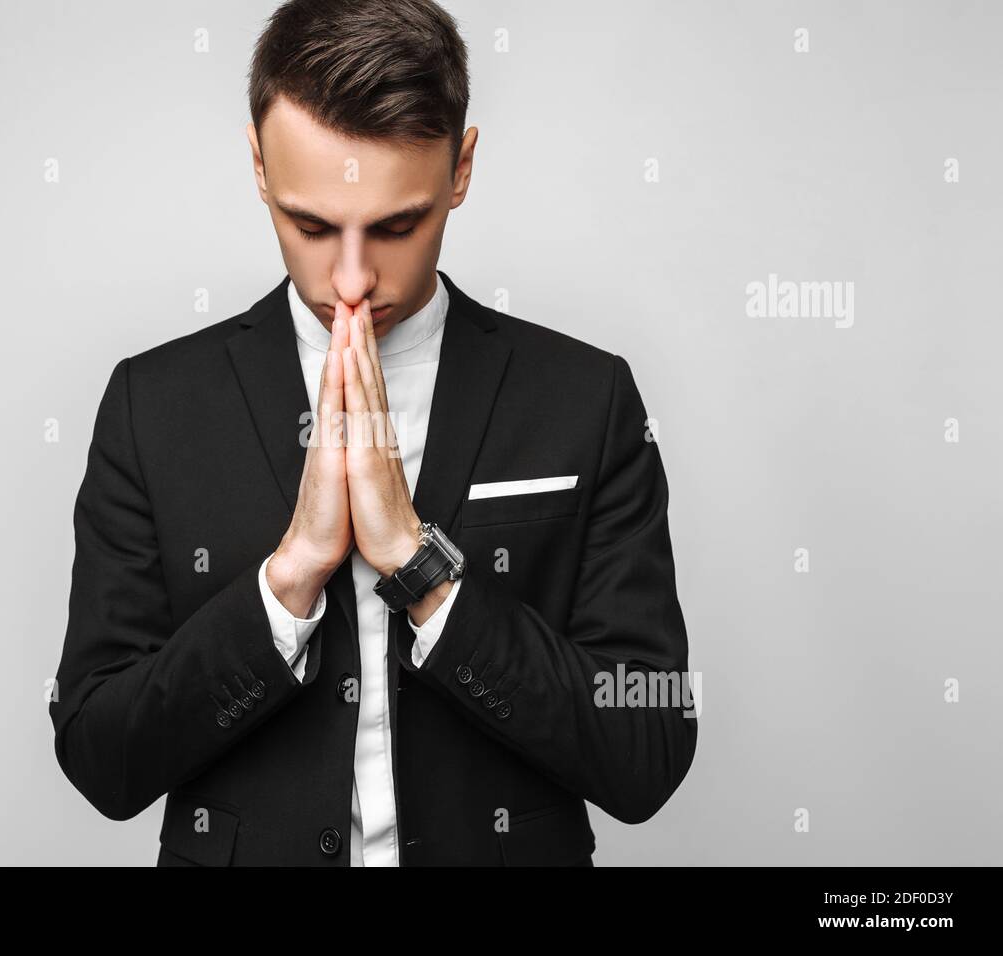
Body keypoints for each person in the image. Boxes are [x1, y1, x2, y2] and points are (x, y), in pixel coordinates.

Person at [48, 0, 697, 866]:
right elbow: (100, 754)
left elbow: (649, 744)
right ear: (258, 166)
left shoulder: (588, 397)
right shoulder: (153, 405)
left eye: (397, 225)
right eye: (312, 226)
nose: (352, 278)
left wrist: (422, 572)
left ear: (461, 169)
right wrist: (289, 580)